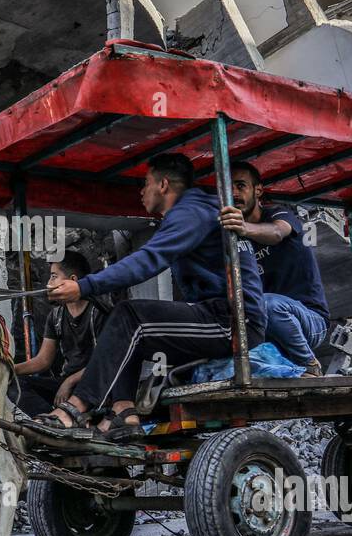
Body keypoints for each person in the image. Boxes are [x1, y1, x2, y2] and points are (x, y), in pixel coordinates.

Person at [36, 153, 266, 441]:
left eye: (145, 183)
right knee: (127, 325)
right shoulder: (193, 211)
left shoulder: (191, 212)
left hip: (233, 323)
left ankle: (75, 409)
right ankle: (123, 414)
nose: (141, 191)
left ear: (163, 185)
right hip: (214, 314)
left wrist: (85, 286)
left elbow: (149, 259)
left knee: (130, 316)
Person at [219, 162, 329, 376]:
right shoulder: (232, 239)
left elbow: (278, 232)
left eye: (240, 186)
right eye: (227, 189)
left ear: (258, 190)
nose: (234, 193)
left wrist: (244, 228)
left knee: (267, 304)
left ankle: (309, 364)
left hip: (310, 321)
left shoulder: (280, 215)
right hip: (266, 325)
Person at [11, 251, 109, 417]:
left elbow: (106, 363)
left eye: (54, 276)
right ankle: (53, 420)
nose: (49, 283)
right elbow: (43, 361)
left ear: (72, 280)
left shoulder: (99, 312)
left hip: (95, 384)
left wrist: (69, 382)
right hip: (66, 385)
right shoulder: (56, 316)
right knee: (14, 385)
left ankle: (61, 419)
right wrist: (9, 369)